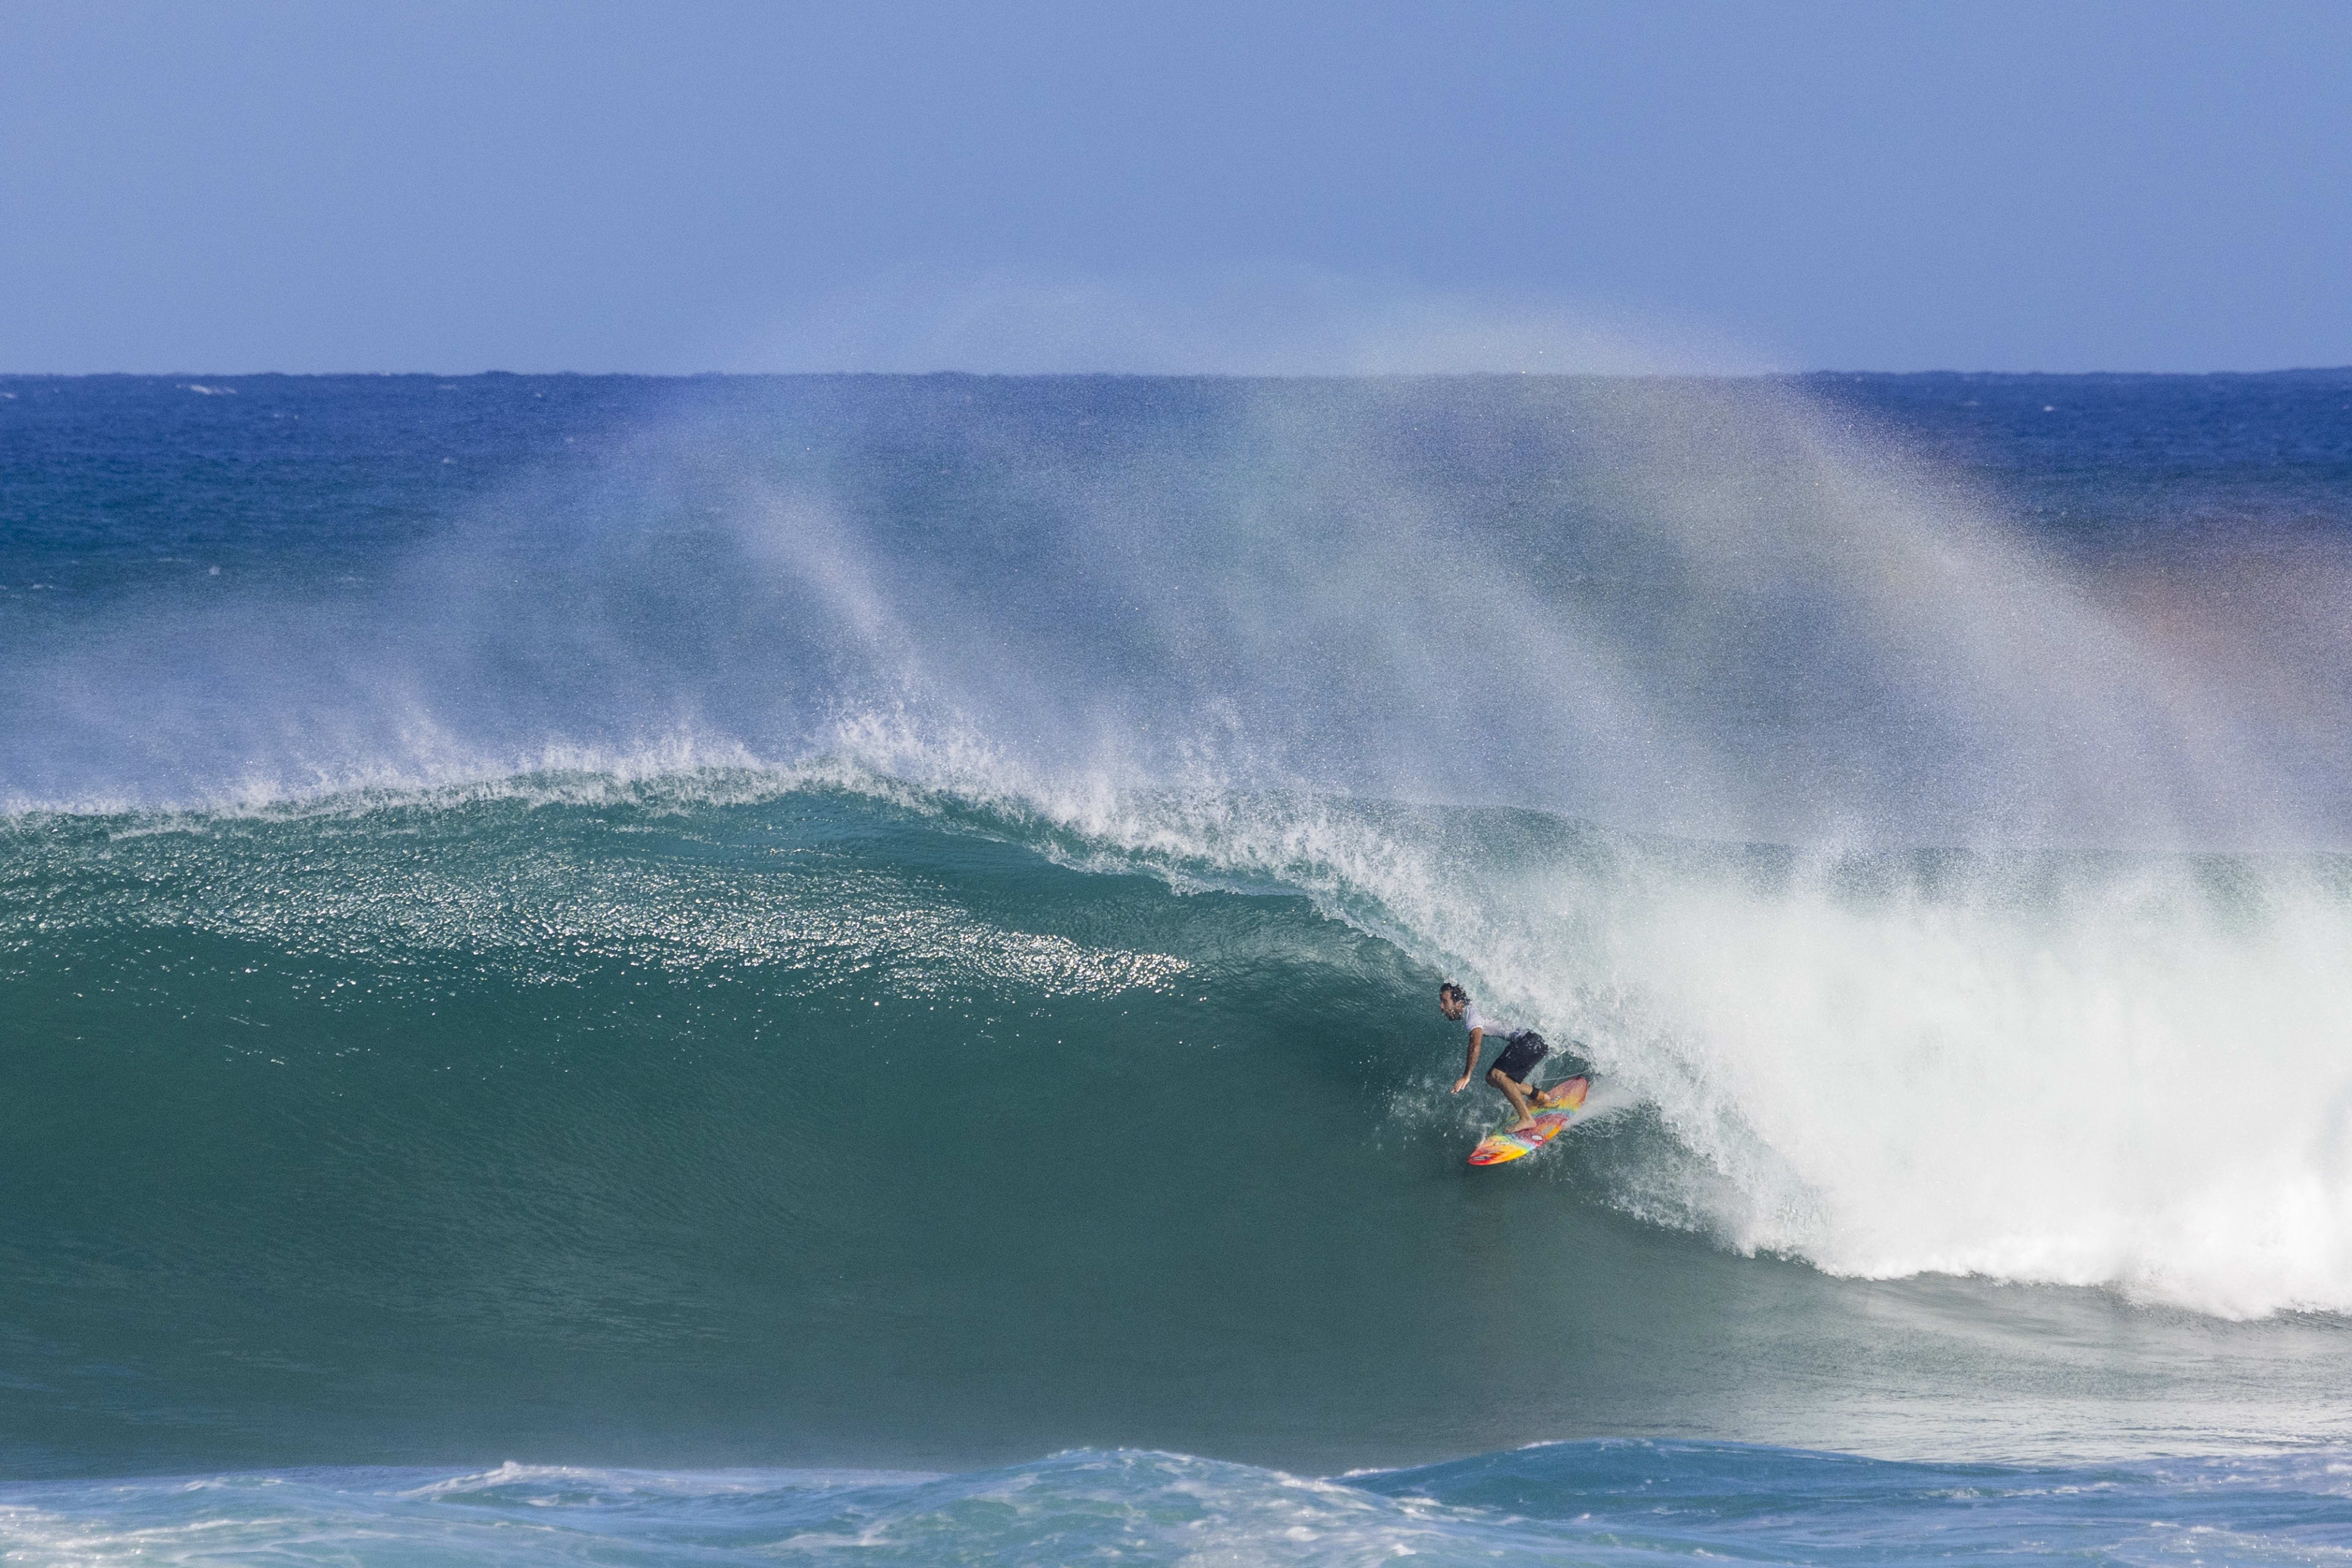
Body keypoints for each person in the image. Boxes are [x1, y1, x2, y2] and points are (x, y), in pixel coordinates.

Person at [1438, 980, 1562, 1132]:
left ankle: (1526, 1119)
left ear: (1458, 1002)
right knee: (1492, 1079)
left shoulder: (1472, 1015)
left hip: (1532, 1039)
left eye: (1445, 1002)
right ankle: (1540, 1097)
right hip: (1534, 1039)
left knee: (1498, 1075)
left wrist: (1467, 1075)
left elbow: (1475, 1045)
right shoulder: (1476, 1007)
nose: (1442, 1007)